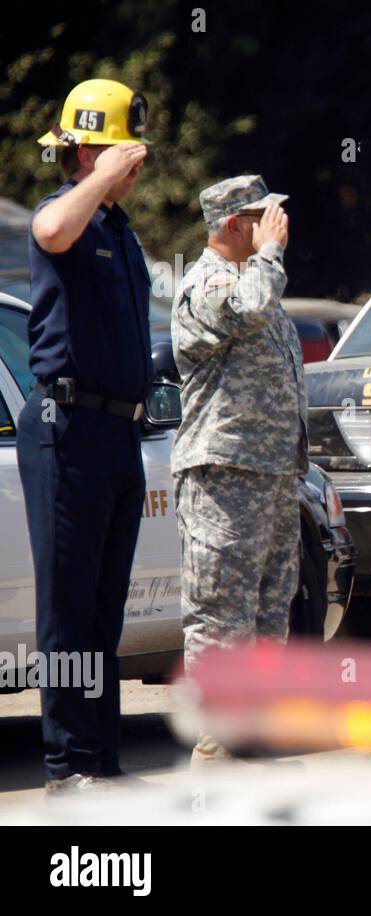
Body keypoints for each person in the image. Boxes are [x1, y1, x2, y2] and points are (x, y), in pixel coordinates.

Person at [20, 79, 151, 795]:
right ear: (92, 150)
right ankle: (68, 767)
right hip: (66, 427)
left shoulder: (120, 231)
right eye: (126, 153)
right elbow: (48, 233)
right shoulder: (64, 215)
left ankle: (99, 758)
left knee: (105, 607)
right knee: (68, 607)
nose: (137, 168)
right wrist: (97, 174)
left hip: (117, 431)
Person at [170, 176, 300, 764]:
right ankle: (215, 749)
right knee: (222, 616)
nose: (275, 225)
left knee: (272, 609)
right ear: (231, 225)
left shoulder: (256, 279)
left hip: (272, 475)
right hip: (223, 477)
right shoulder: (207, 282)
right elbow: (246, 309)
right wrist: (270, 254)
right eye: (262, 217)